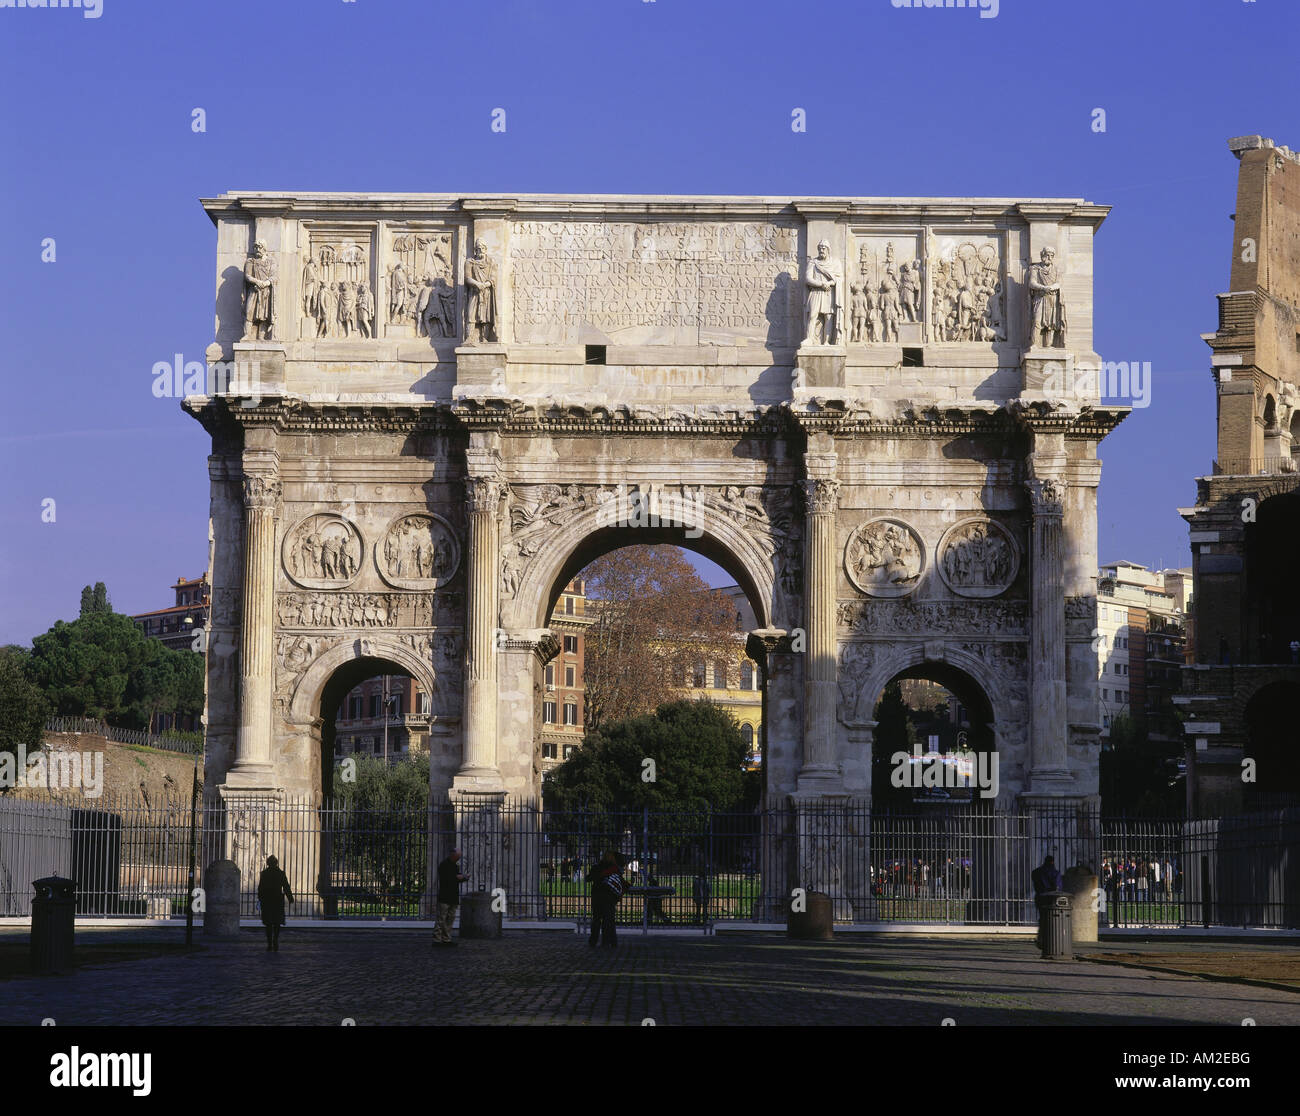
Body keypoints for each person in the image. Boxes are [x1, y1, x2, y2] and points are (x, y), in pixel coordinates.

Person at [586, 852, 626, 947]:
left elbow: (588, 878)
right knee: (609, 920)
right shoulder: (615, 869)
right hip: (609, 897)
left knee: (596, 919)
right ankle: (608, 941)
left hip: (597, 896)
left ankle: (593, 940)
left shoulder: (597, 867)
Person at [257, 855, 293, 952]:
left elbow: (260, 888)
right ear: (276, 863)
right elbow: (286, 886)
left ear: (268, 863)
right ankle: (275, 940)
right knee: (277, 922)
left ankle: (269, 943)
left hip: (267, 900)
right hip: (277, 900)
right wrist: (290, 898)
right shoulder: (280, 873)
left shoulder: (264, 873)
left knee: (268, 923)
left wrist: (260, 898)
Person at [433, 848, 468, 947]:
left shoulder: (455, 866)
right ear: (453, 855)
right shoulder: (443, 865)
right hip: (445, 896)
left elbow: (455, 879)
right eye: (458, 857)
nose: (458, 858)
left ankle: (446, 939)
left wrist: (464, 878)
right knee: (441, 918)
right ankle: (437, 939)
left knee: (450, 919)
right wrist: (457, 877)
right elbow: (445, 879)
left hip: (453, 896)